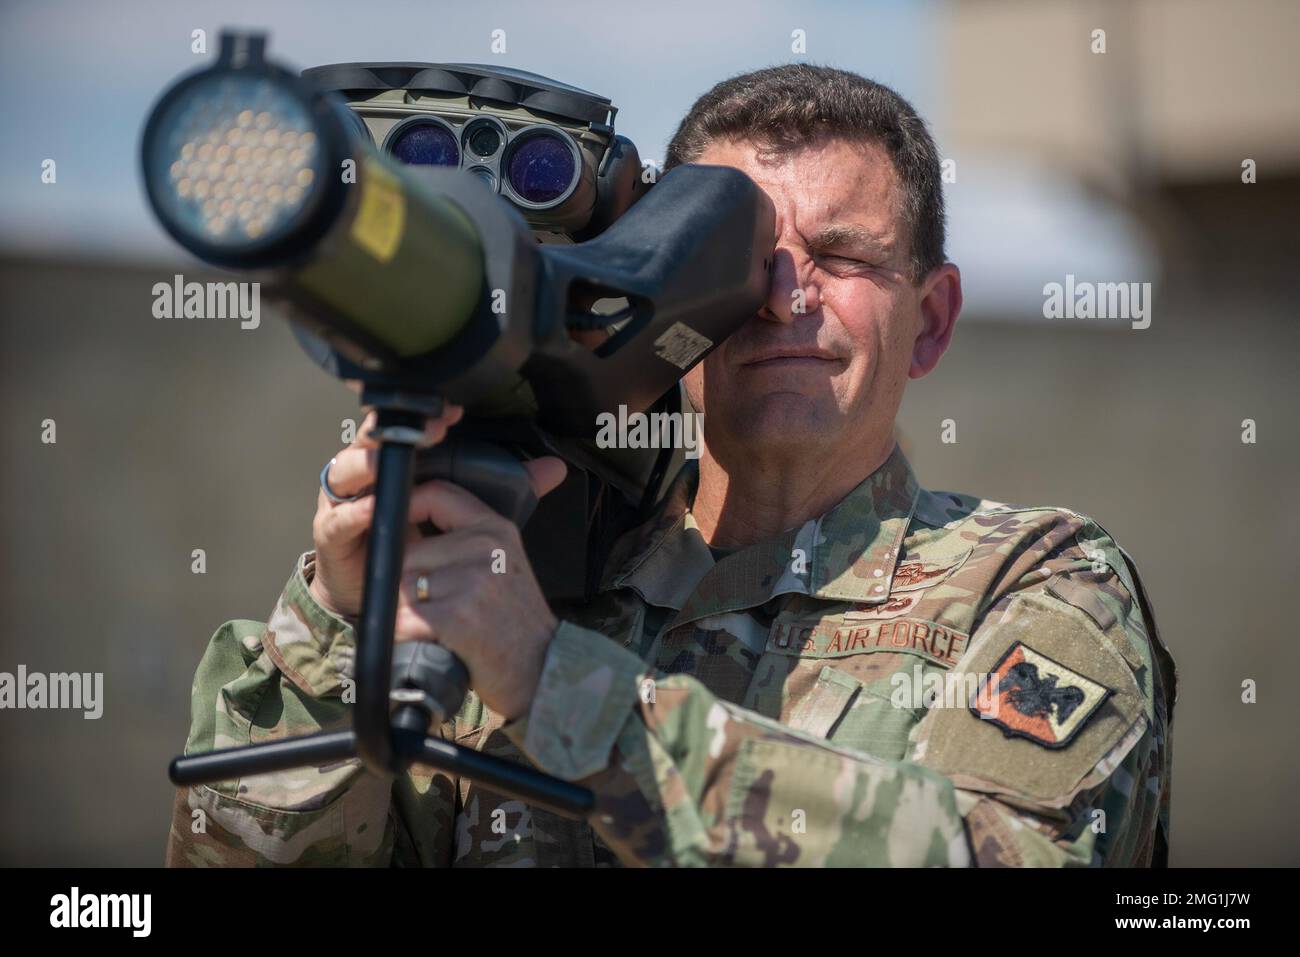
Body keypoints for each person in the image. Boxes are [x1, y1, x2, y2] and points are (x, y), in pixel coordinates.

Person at [166, 63, 1175, 867]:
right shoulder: (527, 582)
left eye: (845, 256)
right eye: (747, 259)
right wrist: (335, 639)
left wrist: (556, 686)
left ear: (932, 319)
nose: (786, 299)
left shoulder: (1034, 582)